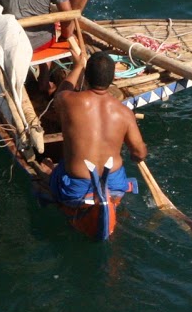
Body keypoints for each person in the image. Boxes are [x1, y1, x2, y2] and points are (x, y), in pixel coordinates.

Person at [48, 48, 146, 206]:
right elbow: (139, 152)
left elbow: (61, 93)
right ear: (113, 78)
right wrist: (135, 156)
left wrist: (78, 66)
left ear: (86, 77)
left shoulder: (68, 101)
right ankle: (110, 207)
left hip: (77, 188)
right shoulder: (125, 112)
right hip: (114, 186)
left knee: (52, 171)